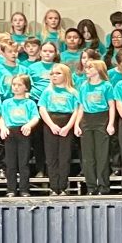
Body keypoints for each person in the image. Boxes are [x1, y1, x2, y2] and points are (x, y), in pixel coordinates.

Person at [39, 63, 81, 194]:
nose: (54, 76)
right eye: (52, 73)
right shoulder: (47, 91)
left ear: (66, 75)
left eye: (58, 73)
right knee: (51, 156)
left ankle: (62, 186)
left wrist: (68, 127)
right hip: (51, 122)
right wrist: (51, 125)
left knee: (64, 156)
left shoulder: (73, 92)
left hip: (67, 121)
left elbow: (77, 110)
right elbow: (42, 108)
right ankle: (53, 187)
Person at [0, 74, 40, 196]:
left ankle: (24, 189)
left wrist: (29, 125)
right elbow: (2, 117)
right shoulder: (6, 103)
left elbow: (35, 117)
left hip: (23, 131)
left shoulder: (29, 103)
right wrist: (3, 128)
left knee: (23, 163)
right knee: (10, 163)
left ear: (26, 87)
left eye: (19, 85)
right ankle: (11, 189)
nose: (16, 87)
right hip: (10, 132)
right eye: (14, 84)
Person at [76, 58, 114, 194]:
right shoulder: (83, 86)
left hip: (102, 118)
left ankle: (104, 186)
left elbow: (111, 106)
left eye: (90, 67)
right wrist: (77, 124)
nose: (87, 70)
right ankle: (91, 186)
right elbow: (81, 106)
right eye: (86, 67)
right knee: (88, 157)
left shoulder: (106, 86)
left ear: (98, 70)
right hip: (87, 120)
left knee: (102, 155)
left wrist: (110, 123)